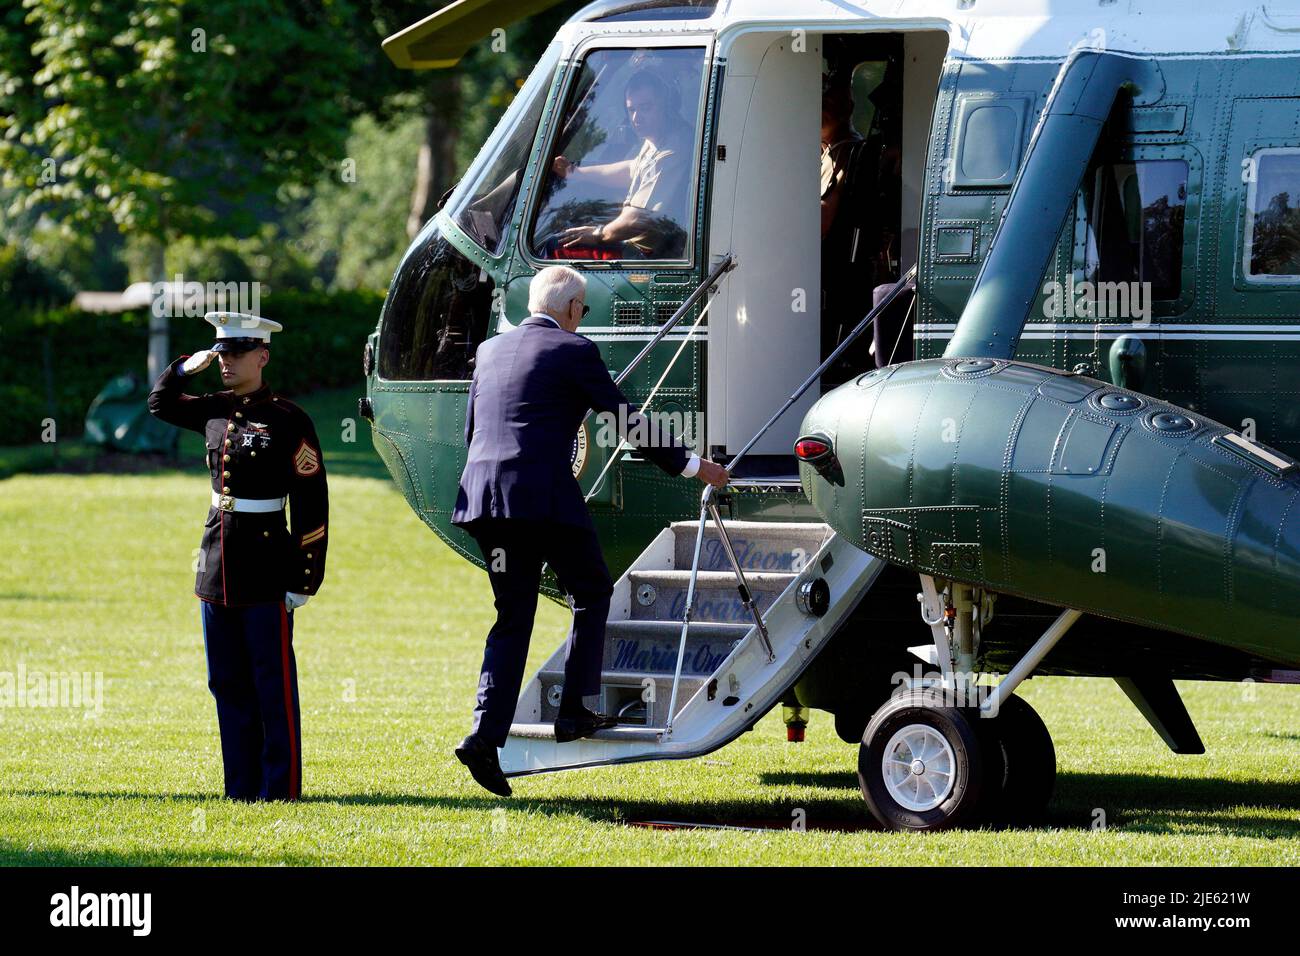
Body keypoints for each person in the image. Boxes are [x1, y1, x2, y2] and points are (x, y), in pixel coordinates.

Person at [450, 266, 728, 797]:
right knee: (592, 589)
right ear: (574, 309)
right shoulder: (573, 352)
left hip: (485, 498)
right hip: (544, 500)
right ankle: (575, 710)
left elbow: (473, 432)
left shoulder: (489, 351)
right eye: (585, 312)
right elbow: (628, 420)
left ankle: (484, 735)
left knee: (512, 618)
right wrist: (695, 467)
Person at [147, 312, 329, 801]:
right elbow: (159, 402)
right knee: (225, 682)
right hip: (215, 565)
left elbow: (312, 504)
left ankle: (281, 788)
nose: (226, 361)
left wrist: (303, 579)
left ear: (263, 356)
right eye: (222, 353)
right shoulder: (212, 408)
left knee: (272, 685)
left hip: (267, 569)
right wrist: (187, 368)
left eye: (237, 353)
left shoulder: (290, 420)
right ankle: (240, 788)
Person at [550, 70, 693, 258]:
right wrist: (575, 172)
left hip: (647, 254)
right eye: (632, 110)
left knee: (551, 246)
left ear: (666, 107)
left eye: (646, 108)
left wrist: (598, 233)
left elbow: (635, 221)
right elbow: (630, 170)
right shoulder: (658, 138)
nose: (636, 118)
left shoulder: (672, 151)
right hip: (640, 245)